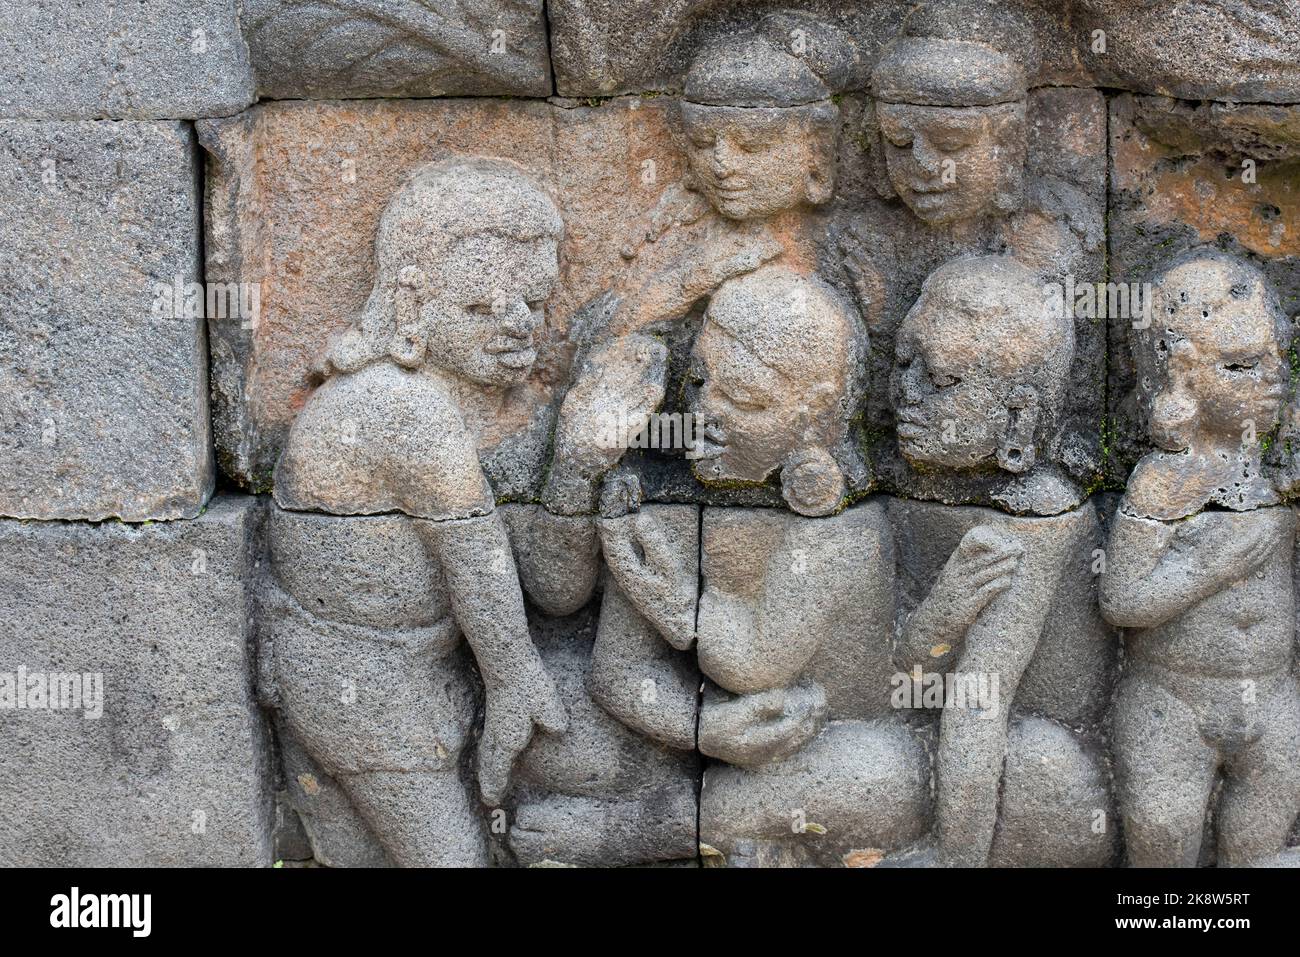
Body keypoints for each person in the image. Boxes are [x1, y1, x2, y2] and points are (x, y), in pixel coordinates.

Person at [265, 157, 568, 866]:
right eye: (481, 307)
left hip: (362, 670)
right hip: (365, 685)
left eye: (536, 302)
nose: (518, 325)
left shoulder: (440, 398)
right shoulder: (404, 409)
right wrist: (513, 676)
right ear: (411, 307)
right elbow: (477, 555)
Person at [1100, 250, 1300, 867]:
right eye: (1240, 367)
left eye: (1275, 361)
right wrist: (1216, 568)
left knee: (1260, 845)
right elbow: (1122, 599)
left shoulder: (1280, 467)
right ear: (1181, 377)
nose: (1269, 380)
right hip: (1171, 697)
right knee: (1163, 832)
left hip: (1271, 693)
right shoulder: (1166, 479)